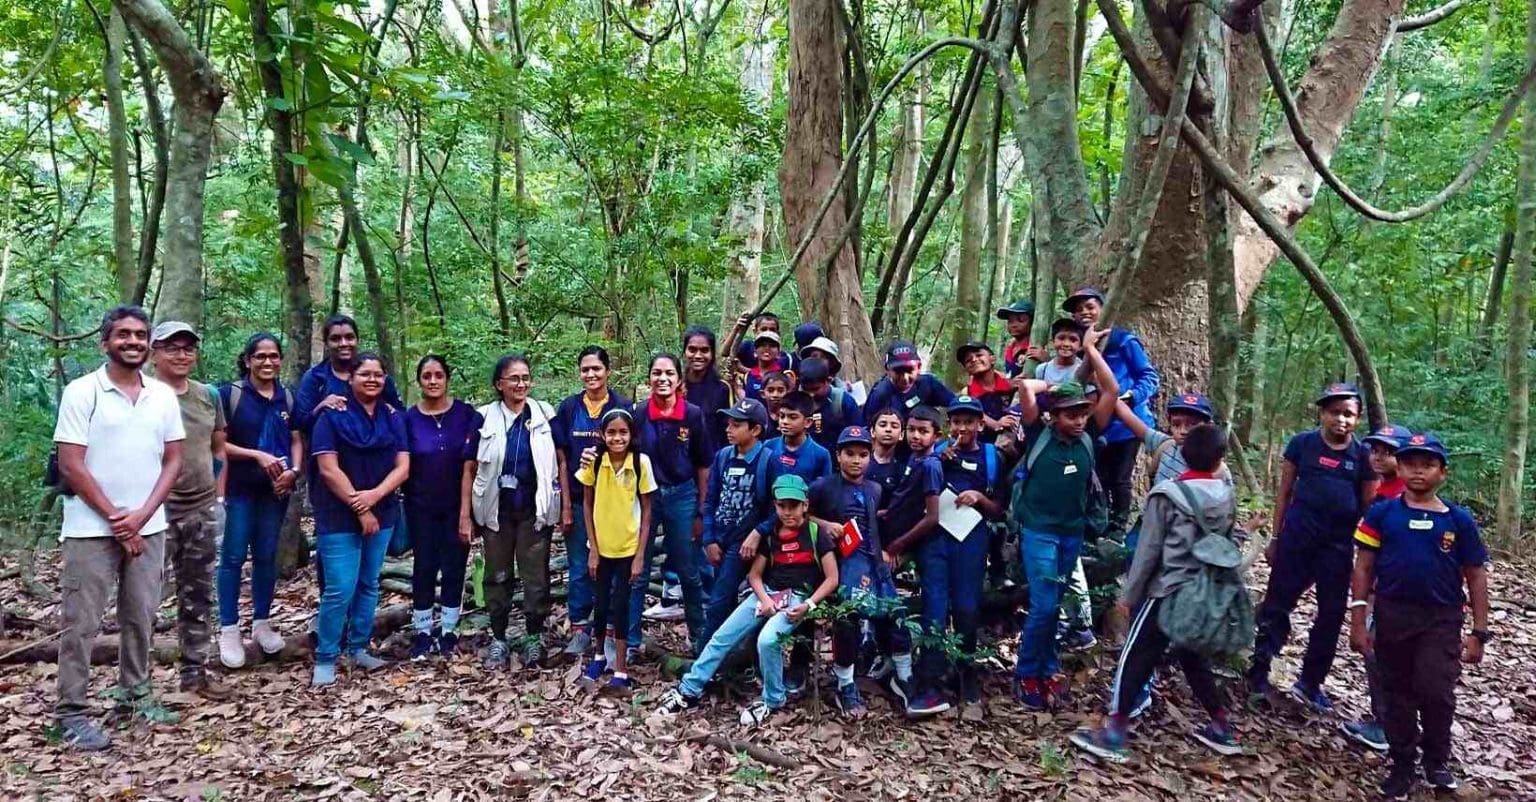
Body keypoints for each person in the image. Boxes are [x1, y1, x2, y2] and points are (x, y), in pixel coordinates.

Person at [1069, 424, 1244, 763]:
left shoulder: (1166, 494)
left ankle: (1115, 732)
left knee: (1136, 657)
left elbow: (1148, 550)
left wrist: (1129, 595)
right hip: (1202, 593)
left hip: (1166, 592)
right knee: (1194, 658)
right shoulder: (1226, 493)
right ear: (1219, 459)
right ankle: (1222, 726)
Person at [53, 306, 186, 750]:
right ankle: (71, 712)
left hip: (150, 526)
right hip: (90, 530)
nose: (133, 341)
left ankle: (133, 695)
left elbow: (174, 459)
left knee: (142, 615)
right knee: (82, 623)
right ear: (105, 341)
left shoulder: (162, 396)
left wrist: (143, 516)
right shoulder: (83, 392)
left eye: (140, 335)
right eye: (123, 334)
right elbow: (71, 463)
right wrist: (116, 518)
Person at [1349, 433, 1490, 800]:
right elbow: (1363, 566)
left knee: (1435, 690)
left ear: (1443, 472)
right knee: (1395, 692)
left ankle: (1437, 760)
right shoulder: (1382, 512)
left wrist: (1479, 631)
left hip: (1441, 619)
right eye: (1410, 463)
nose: (1418, 471)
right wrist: (1359, 617)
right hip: (1392, 614)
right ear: (1400, 466)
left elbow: (1476, 574)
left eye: (1427, 465)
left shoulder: (1459, 521)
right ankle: (1401, 763)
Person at [656, 474, 839, 728]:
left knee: (768, 641)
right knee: (723, 636)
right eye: (782, 506)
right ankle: (689, 689)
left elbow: (832, 578)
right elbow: (754, 575)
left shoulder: (815, 534)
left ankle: (773, 699)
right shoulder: (772, 535)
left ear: (805, 505)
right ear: (775, 506)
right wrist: (764, 600)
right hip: (767, 593)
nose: (788, 512)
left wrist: (809, 605)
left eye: (793, 506)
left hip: (798, 598)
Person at [1008, 326, 1120, 711]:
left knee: (1056, 604)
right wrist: (1052, 392)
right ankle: (1026, 673)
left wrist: (1089, 351)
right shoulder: (1039, 432)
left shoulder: (1090, 438)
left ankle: (1048, 666)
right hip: (1038, 532)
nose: (1078, 420)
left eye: (1082, 413)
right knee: (1043, 605)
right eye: (1070, 415)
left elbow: (1112, 392)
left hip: (1071, 534)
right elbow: (1025, 389)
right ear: (1054, 416)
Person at [1249, 382, 1379, 711]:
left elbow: (1368, 509)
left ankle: (1310, 682)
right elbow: (1284, 493)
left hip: (1336, 547)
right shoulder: (1302, 445)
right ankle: (1259, 673)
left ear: (1358, 418)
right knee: (1277, 604)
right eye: (1334, 412)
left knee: (1332, 614)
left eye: (1348, 414)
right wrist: (1275, 538)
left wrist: (1372, 556)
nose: (1341, 420)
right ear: (1322, 414)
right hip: (1296, 539)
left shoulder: (1362, 455)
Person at [888, 397, 1005, 714]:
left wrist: (979, 497)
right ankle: (929, 679)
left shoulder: (991, 458)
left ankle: (966, 673)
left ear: (981, 425)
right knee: (934, 609)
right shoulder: (934, 457)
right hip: (934, 541)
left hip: (971, 540)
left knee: (967, 608)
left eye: (969, 421)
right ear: (947, 427)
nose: (962, 428)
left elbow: (999, 510)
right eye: (957, 422)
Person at [309, 353, 410, 687]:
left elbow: (403, 467)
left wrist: (374, 498)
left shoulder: (393, 417)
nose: (372, 380)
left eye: (378, 375)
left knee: (368, 583)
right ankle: (326, 656)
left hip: (383, 513)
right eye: (364, 374)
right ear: (350, 379)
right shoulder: (332, 416)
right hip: (338, 515)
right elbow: (327, 468)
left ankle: (358, 647)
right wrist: (360, 506)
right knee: (339, 587)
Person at [149, 321, 231, 700]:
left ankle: (194, 674)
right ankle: (135, 685)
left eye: (187, 348)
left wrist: (219, 496)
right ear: (154, 353)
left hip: (201, 508)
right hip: (154, 512)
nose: (181, 355)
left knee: (197, 594)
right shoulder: (144, 394)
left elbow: (218, 448)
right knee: (144, 597)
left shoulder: (206, 395)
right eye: (171, 348)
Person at [217, 333, 304, 669]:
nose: (268, 362)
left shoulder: (288, 398)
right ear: (249, 360)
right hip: (240, 490)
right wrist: (255, 454)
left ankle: (262, 623)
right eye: (260, 356)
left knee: (266, 556)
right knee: (233, 557)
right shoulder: (231, 396)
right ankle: (228, 628)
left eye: (273, 356)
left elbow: (297, 439)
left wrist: (294, 471)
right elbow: (219, 444)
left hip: (275, 492)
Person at [471, 354, 562, 669]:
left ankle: (534, 637)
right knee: (497, 575)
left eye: (525, 378)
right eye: (513, 378)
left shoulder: (544, 414)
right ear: (499, 384)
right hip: (496, 510)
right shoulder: (482, 417)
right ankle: (499, 637)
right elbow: (470, 466)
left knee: (536, 576)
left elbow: (558, 460)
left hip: (533, 510)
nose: (521, 384)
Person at [809, 425, 906, 719]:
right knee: (848, 619)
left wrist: (889, 551)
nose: (856, 460)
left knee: (896, 615)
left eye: (863, 454)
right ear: (838, 456)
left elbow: (878, 523)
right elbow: (801, 516)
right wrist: (825, 526)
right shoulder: (823, 487)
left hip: (875, 563)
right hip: (842, 565)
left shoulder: (875, 488)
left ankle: (902, 677)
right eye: (849, 454)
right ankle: (845, 683)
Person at [624, 353, 711, 656]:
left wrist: (702, 509)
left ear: (678, 379)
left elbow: (702, 464)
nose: (663, 379)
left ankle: (698, 635)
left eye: (669, 373)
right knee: (638, 569)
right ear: (649, 378)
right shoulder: (636, 414)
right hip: (645, 497)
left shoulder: (692, 414)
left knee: (688, 568)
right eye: (657, 373)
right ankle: (631, 641)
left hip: (682, 494)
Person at [1064, 287, 1160, 540]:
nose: (1084, 312)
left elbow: (1149, 376)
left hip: (1127, 423)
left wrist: (1130, 397)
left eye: (1089, 306)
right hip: (1095, 423)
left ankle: (1118, 526)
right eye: (1078, 309)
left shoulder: (1123, 340)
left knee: (1120, 476)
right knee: (1099, 475)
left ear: (1103, 309)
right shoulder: (1079, 346)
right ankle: (1099, 525)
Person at [402, 355, 482, 659]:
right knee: (423, 567)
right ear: (419, 380)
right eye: (426, 376)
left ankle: (449, 629)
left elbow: (471, 465)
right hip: (419, 505)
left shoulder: (466, 415)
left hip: (456, 505)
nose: (433, 381)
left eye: (438, 375)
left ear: (447, 378)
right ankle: (422, 631)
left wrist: (466, 514)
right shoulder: (407, 419)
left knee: (454, 566)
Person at [1339, 422, 1413, 751]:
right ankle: (1386, 721)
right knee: (1377, 654)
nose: (1379, 456)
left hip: (1394, 590)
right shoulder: (1381, 493)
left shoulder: (1402, 497)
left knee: (1383, 656)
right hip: (1379, 588)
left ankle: (1389, 726)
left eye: (1389, 452)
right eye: (1376, 450)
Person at [554, 346, 630, 660]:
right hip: (577, 496)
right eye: (585, 369)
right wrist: (565, 506)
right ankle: (580, 628)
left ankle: (611, 629)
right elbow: (561, 455)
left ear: (607, 371)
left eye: (597, 369)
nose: (591, 375)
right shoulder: (570, 407)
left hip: (615, 502)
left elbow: (633, 450)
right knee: (579, 565)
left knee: (613, 566)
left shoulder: (622, 405)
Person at [876, 405, 949, 718]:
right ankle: (890, 660)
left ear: (936, 435)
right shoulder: (912, 459)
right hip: (899, 538)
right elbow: (907, 499)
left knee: (932, 606)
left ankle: (928, 679)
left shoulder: (931, 465)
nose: (916, 436)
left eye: (924, 431)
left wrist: (898, 545)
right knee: (883, 599)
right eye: (913, 430)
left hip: (919, 544)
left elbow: (932, 517)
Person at [576, 409, 656, 694]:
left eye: (623, 432)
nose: (617, 437)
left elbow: (647, 509)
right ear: (602, 435)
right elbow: (586, 504)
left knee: (621, 607)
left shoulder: (640, 462)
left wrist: (640, 556)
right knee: (600, 604)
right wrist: (593, 549)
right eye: (611, 432)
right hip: (602, 547)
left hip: (628, 548)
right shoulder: (595, 462)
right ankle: (598, 657)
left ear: (632, 435)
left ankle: (621, 669)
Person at [700, 399, 780, 640]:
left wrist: (758, 533)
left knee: (719, 600)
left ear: (755, 430)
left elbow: (779, 508)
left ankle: (704, 658)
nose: (728, 429)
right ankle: (727, 656)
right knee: (721, 597)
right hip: (720, 536)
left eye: (736, 425)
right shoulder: (723, 456)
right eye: (728, 424)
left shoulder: (768, 460)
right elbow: (711, 499)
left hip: (744, 541)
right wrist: (709, 538)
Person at [294, 314, 404, 435]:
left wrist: (387, 411)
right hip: (327, 447)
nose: (343, 343)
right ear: (326, 343)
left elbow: (401, 416)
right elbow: (299, 423)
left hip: (375, 446)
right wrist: (321, 406)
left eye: (349, 337)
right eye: (335, 339)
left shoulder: (377, 377)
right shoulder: (315, 378)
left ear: (357, 340)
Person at [863, 340, 957, 423]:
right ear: (888, 370)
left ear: (919, 367)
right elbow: (867, 428)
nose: (905, 377)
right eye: (898, 371)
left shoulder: (928, 384)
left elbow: (956, 404)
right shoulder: (880, 394)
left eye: (909, 370)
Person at [682, 325, 735, 456]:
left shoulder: (722, 389)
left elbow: (728, 430)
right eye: (692, 350)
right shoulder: (676, 387)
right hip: (680, 463)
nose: (698, 355)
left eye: (704, 350)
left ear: (712, 354)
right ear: (685, 352)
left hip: (713, 460)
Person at [764, 391, 835, 484]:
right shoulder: (768, 447)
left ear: (808, 422)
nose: (784, 421)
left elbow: (824, 491)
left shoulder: (821, 455)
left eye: (792, 417)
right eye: (782, 416)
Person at [955, 341, 1018, 444]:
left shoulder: (1009, 385)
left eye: (979, 355)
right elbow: (973, 415)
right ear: (966, 368)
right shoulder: (967, 394)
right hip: (984, 447)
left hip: (1016, 441)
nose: (974, 360)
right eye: (968, 360)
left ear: (992, 359)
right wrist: (996, 424)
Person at [797, 356, 862, 451]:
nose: (811, 394)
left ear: (828, 380)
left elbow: (857, 432)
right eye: (806, 390)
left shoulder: (842, 401)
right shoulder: (796, 400)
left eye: (815, 389)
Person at [995, 298, 1045, 378]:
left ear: (1032, 322)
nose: (1014, 325)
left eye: (1021, 320)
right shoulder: (1010, 347)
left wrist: (1047, 360)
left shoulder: (1038, 346)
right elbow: (1010, 375)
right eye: (1010, 321)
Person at [1035, 319, 1085, 389]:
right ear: (1052, 342)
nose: (1066, 344)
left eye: (1073, 340)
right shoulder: (1042, 370)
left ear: (1080, 346)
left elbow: (1091, 398)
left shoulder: (1083, 370)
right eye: (1061, 338)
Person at [744, 331, 789, 400]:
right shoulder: (748, 376)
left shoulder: (784, 375)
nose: (767, 348)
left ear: (779, 353)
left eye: (772, 346)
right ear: (755, 352)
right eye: (762, 345)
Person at [758, 371, 791, 439]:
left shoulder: (793, 416)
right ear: (762, 394)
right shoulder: (758, 417)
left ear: (788, 392)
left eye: (780, 390)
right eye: (770, 390)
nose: (775, 395)